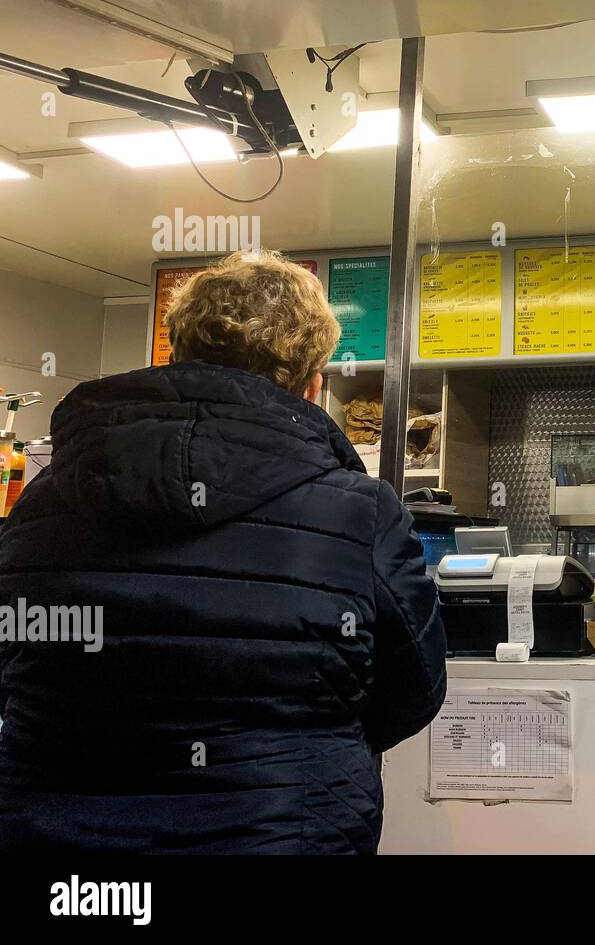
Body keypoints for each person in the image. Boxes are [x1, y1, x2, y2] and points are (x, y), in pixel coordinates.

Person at [0, 250, 447, 855]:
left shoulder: (44, 498)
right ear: (312, 384)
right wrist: (310, 747)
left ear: (177, 353)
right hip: (281, 829)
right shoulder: (359, 510)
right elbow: (414, 687)